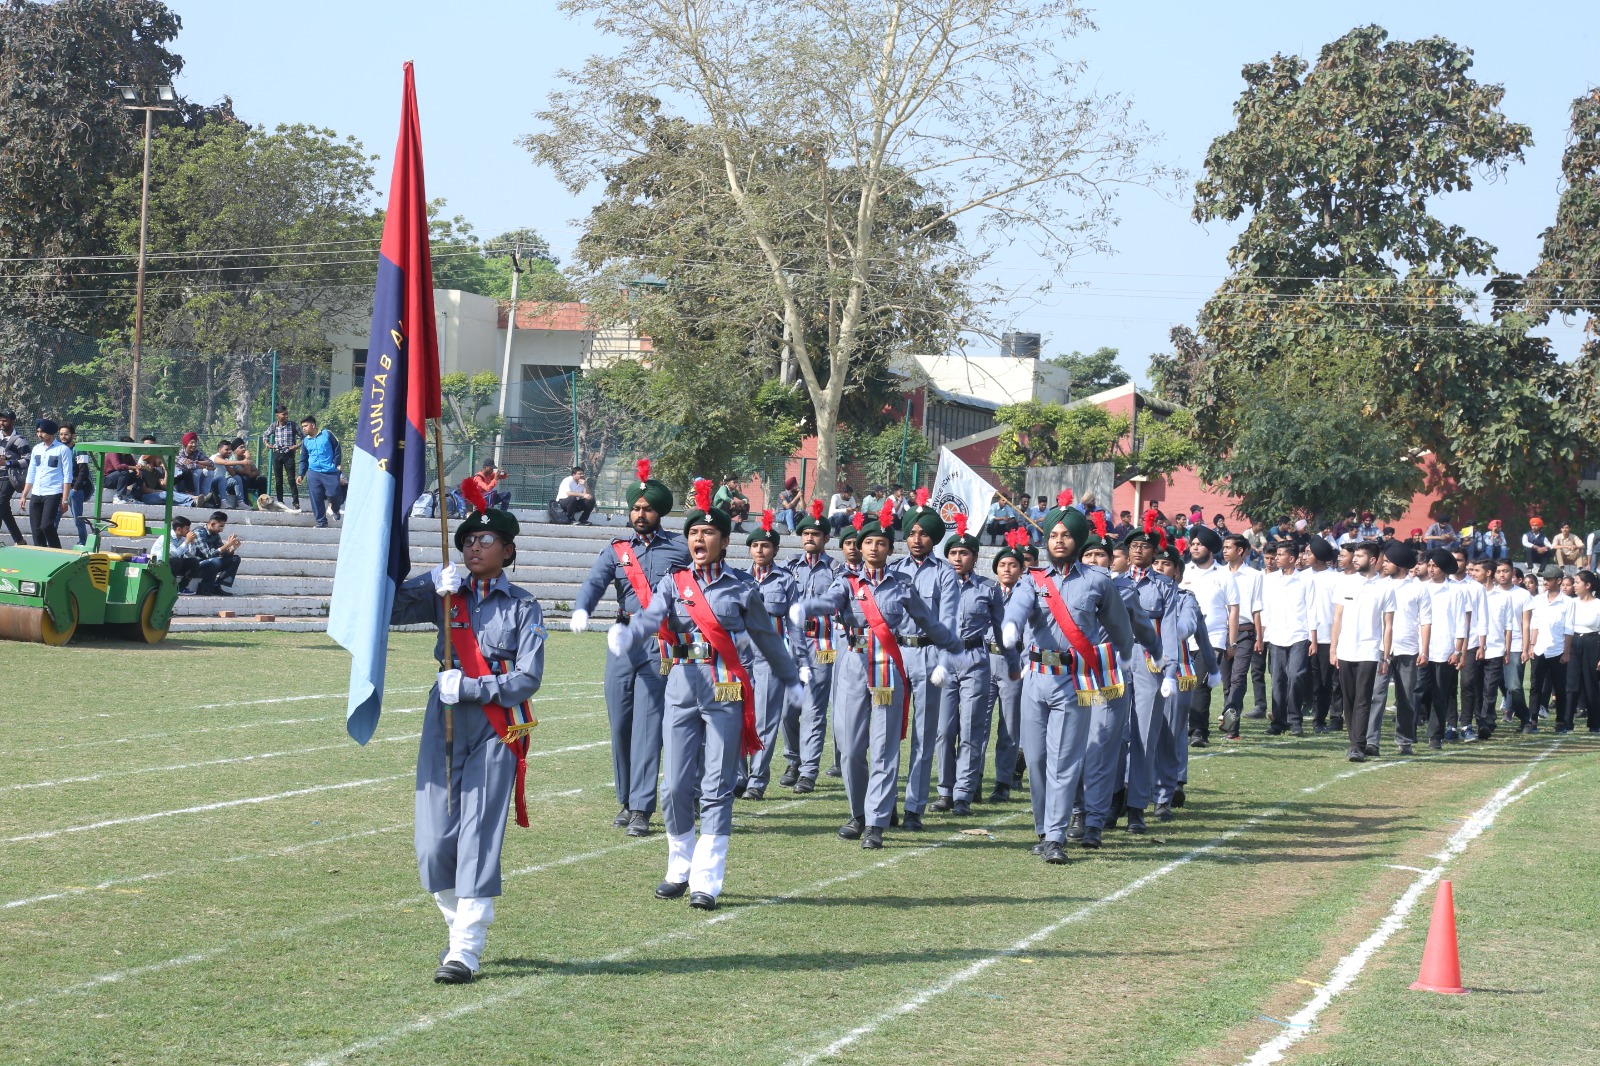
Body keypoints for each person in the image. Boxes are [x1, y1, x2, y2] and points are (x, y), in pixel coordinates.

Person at [609, 482, 802, 908]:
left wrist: (792, 680)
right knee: (675, 785)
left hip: (725, 690)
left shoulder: (741, 588)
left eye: (708, 533)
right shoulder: (674, 584)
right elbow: (651, 617)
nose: (700, 539)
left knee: (716, 785)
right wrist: (627, 635)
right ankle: (679, 865)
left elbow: (766, 640)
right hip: (680, 687)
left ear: (724, 542)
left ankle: (706, 880)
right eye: (694, 533)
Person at [389, 503, 544, 982]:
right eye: (467, 542)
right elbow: (388, 608)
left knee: (478, 832)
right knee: (434, 841)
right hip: (446, 716)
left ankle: (465, 950)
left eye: (486, 541)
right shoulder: (446, 594)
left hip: (499, 721)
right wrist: (427, 580)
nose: (474, 547)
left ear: (508, 551)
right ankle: (461, 926)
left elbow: (528, 677)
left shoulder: (523, 605)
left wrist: (474, 688)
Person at [793, 502, 960, 849]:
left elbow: (930, 622)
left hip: (888, 665)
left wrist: (948, 651)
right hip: (853, 662)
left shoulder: (901, 585)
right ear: (859, 546)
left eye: (881, 543)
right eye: (867, 542)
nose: (873, 548)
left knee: (884, 748)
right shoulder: (846, 582)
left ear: (889, 548)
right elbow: (828, 603)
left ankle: (876, 823)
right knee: (851, 749)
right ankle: (857, 811)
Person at [1000, 493, 1135, 864]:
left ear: (1077, 540)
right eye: (1053, 534)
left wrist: (1125, 654)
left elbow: (1120, 627)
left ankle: (1056, 837)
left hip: (1074, 680)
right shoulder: (1033, 579)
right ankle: (1044, 828)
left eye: (1066, 535)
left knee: (1063, 760)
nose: (1059, 540)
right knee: (1039, 759)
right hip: (1036, 678)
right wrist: (1011, 626)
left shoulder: (1097, 581)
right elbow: (1017, 605)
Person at [572, 460, 690, 837]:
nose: (640, 514)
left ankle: (641, 807)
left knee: (647, 725)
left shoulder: (680, 549)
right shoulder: (616, 550)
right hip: (622, 642)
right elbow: (595, 582)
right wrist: (581, 608)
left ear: (660, 512)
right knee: (620, 722)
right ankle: (625, 799)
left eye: (647, 509)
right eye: (636, 509)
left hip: (658, 644)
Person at [933, 515, 1019, 816]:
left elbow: (999, 628)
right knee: (944, 729)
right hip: (945, 660)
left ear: (974, 557)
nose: (958, 557)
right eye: (954, 552)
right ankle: (944, 789)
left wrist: (1011, 662)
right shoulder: (938, 585)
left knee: (971, 728)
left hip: (975, 659)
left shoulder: (988, 588)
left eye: (964, 553)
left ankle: (963, 794)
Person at [735, 511, 810, 800]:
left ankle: (757, 780)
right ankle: (739, 776)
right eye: (755, 546)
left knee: (766, 720)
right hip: (741, 657)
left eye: (766, 546)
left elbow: (795, 622)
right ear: (750, 549)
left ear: (775, 550)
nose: (760, 550)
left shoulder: (786, 580)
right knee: (739, 717)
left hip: (769, 658)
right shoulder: (737, 578)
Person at [1114, 516, 1182, 837]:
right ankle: (1112, 799)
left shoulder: (1166, 587)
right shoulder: (1113, 583)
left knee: (1143, 736)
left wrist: (1170, 669)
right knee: (1113, 733)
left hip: (1148, 659)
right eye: (1134, 546)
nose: (1139, 550)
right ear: (1126, 552)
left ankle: (1136, 808)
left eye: (1145, 546)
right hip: (1116, 659)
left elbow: (1168, 630)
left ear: (1155, 553)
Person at [783, 500, 841, 793]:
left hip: (820, 644)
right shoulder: (789, 566)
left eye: (815, 534)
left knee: (813, 710)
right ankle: (793, 759)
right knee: (786, 711)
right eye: (805, 533)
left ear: (826, 539)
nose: (809, 538)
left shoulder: (836, 571)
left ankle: (808, 770)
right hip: (790, 643)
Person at [1329, 542, 1395, 761]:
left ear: (1373, 559)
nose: (1354, 559)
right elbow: (1337, 618)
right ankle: (1354, 740)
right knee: (1348, 700)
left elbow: (1388, 625)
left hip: (1369, 649)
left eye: (1359, 556)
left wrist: (1385, 654)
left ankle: (1358, 745)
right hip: (1346, 649)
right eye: (1354, 555)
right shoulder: (1344, 582)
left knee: (1363, 698)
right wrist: (1333, 647)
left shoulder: (1385, 587)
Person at [1180, 522, 1239, 748]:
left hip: (1213, 637)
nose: (1194, 548)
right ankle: (1185, 725)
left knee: (1201, 684)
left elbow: (1233, 609)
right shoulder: (1183, 571)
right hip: (1184, 638)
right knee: (1185, 683)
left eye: (1200, 544)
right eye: (1192, 543)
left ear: (1210, 549)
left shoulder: (1224, 575)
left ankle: (1198, 731)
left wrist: (1231, 641)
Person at [986, 529, 1031, 803]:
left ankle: (1003, 780)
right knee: (977, 723)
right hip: (985, 659)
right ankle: (973, 779)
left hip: (1014, 662)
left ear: (1021, 569)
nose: (1007, 569)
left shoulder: (1028, 595)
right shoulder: (988, 592)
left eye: (1013, 565)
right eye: (1002, 565)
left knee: (1010, 725)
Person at [1259, 541, 1315, 737]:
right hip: (1275, 635)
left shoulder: (1305, 580)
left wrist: (1312, 638)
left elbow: (1311, 609)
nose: (1276, 558)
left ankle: (1295, 719)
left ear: (1292, 558)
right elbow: (1265, 609)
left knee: (1296, 675)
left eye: (1281, 554)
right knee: (1278, 679)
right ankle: (1278, 721)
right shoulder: (1270, 580)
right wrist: (1261, 636)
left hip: (1299, 635)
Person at [1383, 541, 1431, 756]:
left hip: (1407, 647)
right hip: (1380, 648)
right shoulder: (1380, 585)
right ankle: (1369, 740)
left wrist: (1424, 650)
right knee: (1375, 695)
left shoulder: (1419, 588)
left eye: (1387, 561)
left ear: (1400, 564)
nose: (1383, 565)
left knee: (1406, 696)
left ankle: (1404, 740)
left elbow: (1425, 621)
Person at [1419, 550, 1469, 749]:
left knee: (1441, 694)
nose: (1431, 569)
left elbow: (1460, 622)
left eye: (1435, 566)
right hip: (1422, 648)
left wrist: (1457, 650)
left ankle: (1435, 735)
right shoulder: (1421, 588)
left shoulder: (1455, 591)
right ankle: (1410, 729)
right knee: (1418, 690)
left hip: (1444, 648)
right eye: (1429, 565)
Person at [1220, 533, 1265, 738]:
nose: (1225, 550)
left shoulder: (1255, 576)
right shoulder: (1218, 574)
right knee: (1227, 681)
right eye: (1224, 547)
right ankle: (1232, 726)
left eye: (1229, 547)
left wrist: (1259, 636)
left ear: (1240, 551)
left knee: (1239, 679)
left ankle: (1228, 717)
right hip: (1221, 632)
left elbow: (1257, 607)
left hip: (1245, 632)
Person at [1526, 565, 1569, 733]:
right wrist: (1531, 645)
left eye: (1549, 579)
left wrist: (1566, 652)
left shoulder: (1567, 602)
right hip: (1539, 649)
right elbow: (1534, 624)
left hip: (1558, 650)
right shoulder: (1538, 600)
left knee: (1559, 687)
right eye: (1544, 579)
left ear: (1558, 581)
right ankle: (1532, 720)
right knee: (1535, 686)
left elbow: (1569, 629)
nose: (1545, 582)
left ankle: (1560, 722)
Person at [19, 418, 72, 548]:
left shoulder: (62, 450)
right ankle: (40, 554)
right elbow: (31, 472)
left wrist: (65, 499)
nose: (39, 434)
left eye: (42, 432)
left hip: (53, 493)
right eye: (37, 431)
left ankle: (57, 552)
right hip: (37, 492)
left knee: (47, 526)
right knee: (36, 530)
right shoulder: (37, 449)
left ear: (50, 432)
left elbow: (67, 476)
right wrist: (24, 494)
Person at [1561, 570, 1600, 734]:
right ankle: (1566, 722)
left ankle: (1595, 724)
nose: (1574, 586)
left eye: (1577, 582)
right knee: (1571, 684)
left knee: (1591, 684)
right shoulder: (1571, 603)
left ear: (1588, 585)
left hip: (1593, 642)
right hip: (1573, 642)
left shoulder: (1598, 604)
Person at [1494, 561, 1532, 728]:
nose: (1502, 574)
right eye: (1499, 571)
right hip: (1493, 644)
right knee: (1493, 685)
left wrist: (1526, 648)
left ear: (1512, 573)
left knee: (1514, 686)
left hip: (1516, 645)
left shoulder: (1523, 595)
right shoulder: (1490, 593)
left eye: (1506, 571)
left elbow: (1526, 624)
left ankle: (1525, 717)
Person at [297, 416, 344, 527]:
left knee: (333, 494)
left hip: (330, 471)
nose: (303, 428)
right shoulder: (305, 441)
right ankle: (321, 522)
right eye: (302, 426)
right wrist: (301, 474)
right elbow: (303, 459)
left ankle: (335, 509)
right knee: (316, 497)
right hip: (313, 472)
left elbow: (337, 448)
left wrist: (336, 464)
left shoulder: (327, 434)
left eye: (305, 426)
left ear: (313, 425)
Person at [187, 510, 244, 595]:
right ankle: (204, 587)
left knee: (235, 559)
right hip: (195, 566)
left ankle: (217, 586)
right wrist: (227, 545)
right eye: (220, 527)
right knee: (215, 561)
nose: (222, 530)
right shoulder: (199, 532)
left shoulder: (215, 534)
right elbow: (209, 554)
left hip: (209, 565)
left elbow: (224, 554)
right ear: (213, 524)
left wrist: (232, 548)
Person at [58, 424, 94, 546]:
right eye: (61, 434)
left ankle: (83, 541)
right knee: (54, 516)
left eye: (66, 434)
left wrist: (75, 488)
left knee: (78, 517)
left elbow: (83, 470)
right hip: (60, 488)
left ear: (72, 435)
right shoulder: (57, 449)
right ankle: (50, 542)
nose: (63, 436)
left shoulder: (78, 449)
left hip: (76, 488)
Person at [264, 406, 302, 510]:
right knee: (278, 480)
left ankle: (296, 502)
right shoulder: (274, 426)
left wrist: (297, 446)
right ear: (277, 416)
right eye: (283, 414)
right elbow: (265, 435)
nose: (286, 416)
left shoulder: (293, 425)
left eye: (287, 414)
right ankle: (280, 502)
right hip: (277, 454)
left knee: (291, 479)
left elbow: (303, 437)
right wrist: (267, 444)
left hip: (289, 454)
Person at [0, 410, 28, 545]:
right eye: (0, 420)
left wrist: (8, 462)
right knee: (5, 511)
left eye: (5, 420)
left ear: (13, 421)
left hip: (9, 478)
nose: (1, 422)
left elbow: (28, 460)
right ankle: (20, 540)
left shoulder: (20, 440)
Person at [136, 453, 201, 507]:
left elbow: (164, 485)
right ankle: (193, 498)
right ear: (153, 459)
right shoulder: (143, 471)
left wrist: (166, 471)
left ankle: (192, 503)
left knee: (170, 499)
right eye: (159, 458)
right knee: (166, 494)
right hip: (145, 497)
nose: (161, 460)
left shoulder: (156, 472)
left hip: (157, 496)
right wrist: (157, 491)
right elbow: (143, 490)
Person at [166, 514, 203, 593]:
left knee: (194, 562)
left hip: (175, 565)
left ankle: (181, 587)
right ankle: (169, 586)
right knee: (177, 560)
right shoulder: (167, 537)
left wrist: (192, 542)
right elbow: (174, 554)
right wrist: (186, 541)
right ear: (179, 529)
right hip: (163, 564)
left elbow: (192, 554)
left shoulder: (182, 538)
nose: (189, 531)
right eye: (187, 529)